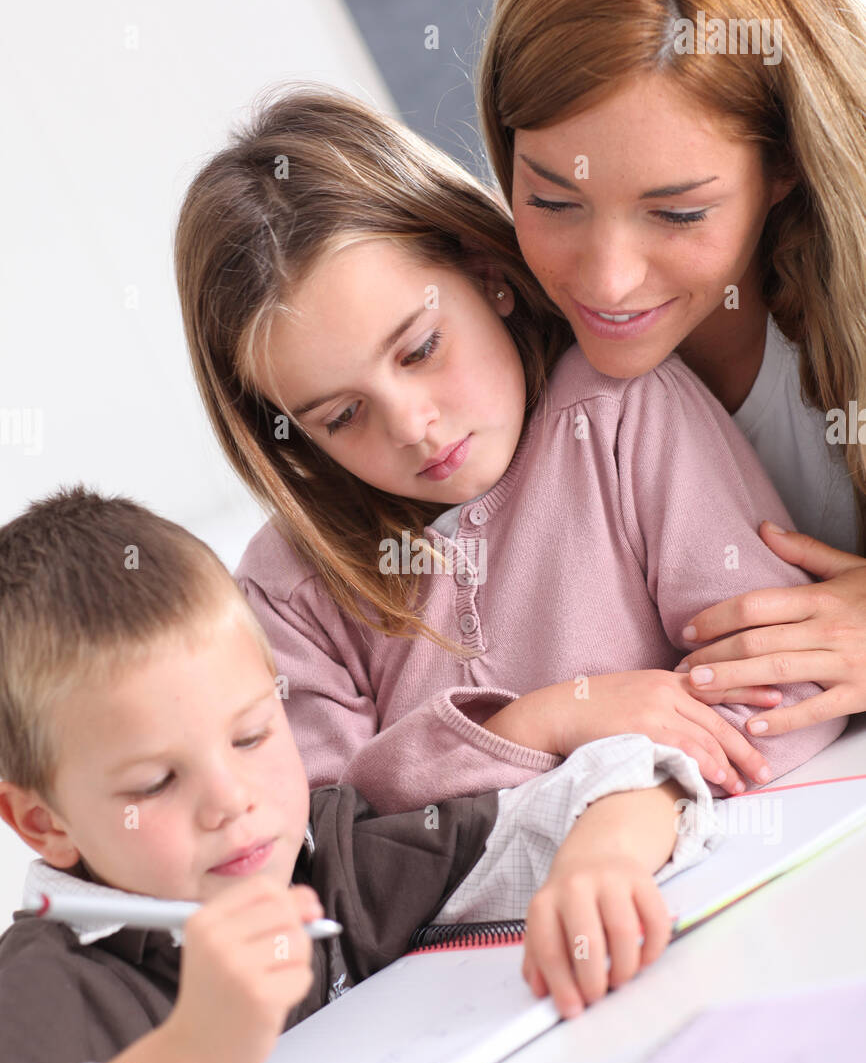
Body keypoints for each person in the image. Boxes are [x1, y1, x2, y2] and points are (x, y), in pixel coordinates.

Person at [0, 485, 718, 1063]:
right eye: (155, 782)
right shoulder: (42, 986)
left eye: (251, 736)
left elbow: (619, 779)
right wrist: (197, 1050)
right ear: (44, 824)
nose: (231, 801)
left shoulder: (331, 857)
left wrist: (602, 859)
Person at [173, 86, 845, 818]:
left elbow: (789, 688)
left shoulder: (622, 416)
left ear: (486, 273)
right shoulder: (290, 589)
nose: (413, 426)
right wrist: (534, 725)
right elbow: (325, 844)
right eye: (341, 416)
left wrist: (633, 808)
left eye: (422, 349)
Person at [476, 0, 866, 732]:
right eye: (552, 199)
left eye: (679, 214)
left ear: (787, 164)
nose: (609, 282)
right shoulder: (477, 364)